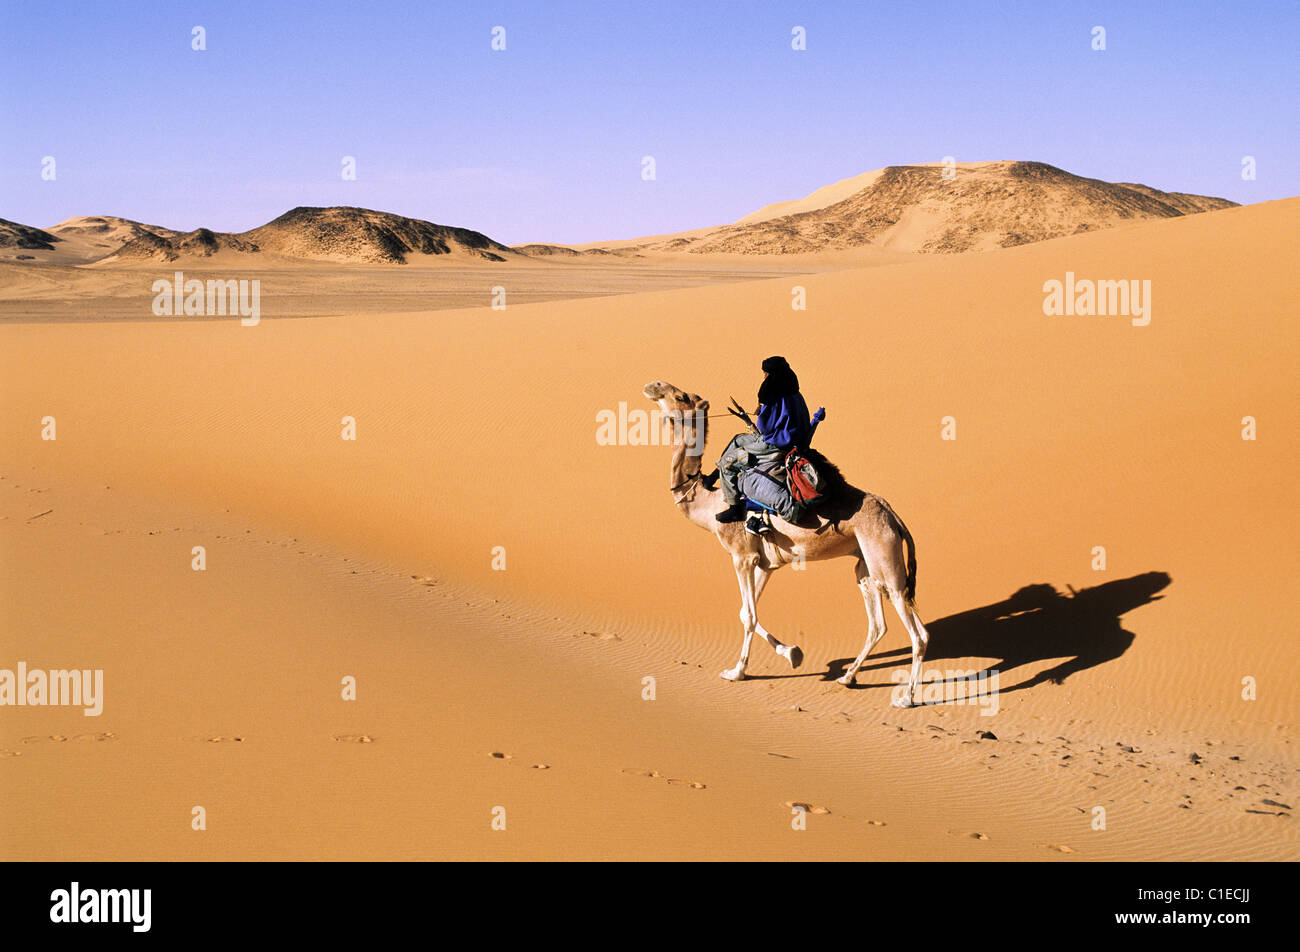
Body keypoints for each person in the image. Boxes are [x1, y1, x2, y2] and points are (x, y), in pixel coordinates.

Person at [715, 356, 812, 524]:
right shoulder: (795, 394)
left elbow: (765, 428)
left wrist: (761, 411)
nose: (764, 377)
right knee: (739, 440)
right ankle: (715, 476)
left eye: (765, 374)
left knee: (727, 462)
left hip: (775, 446)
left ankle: (734, 507)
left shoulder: (773, 398)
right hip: (793, 439)